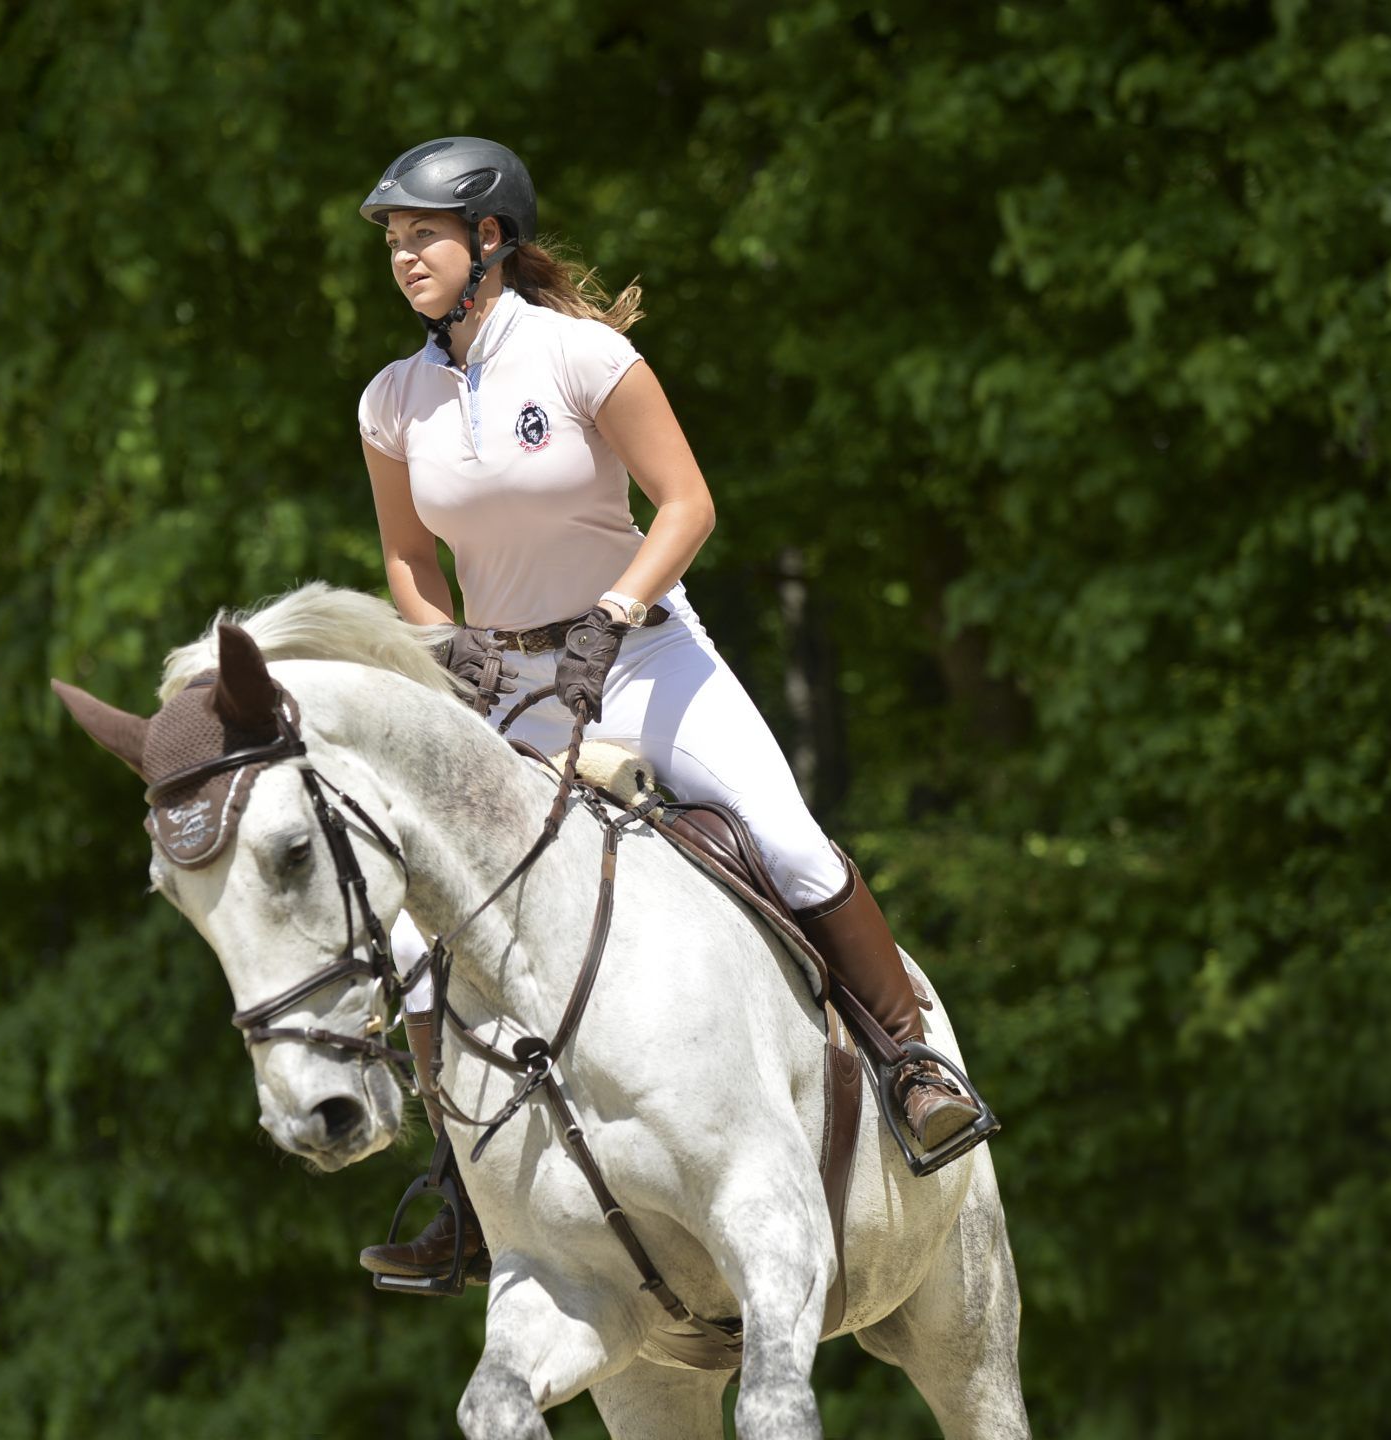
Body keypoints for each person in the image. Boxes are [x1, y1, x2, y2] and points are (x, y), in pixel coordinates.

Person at [351, 137, 996, 1285]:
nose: (404, 258)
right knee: (414, 938)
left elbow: (689, 502)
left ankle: (914, 1067)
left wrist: (611, 613)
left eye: (424, 237)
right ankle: (461, 1191)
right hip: (509, 690)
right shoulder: (392, 402)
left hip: (645, 658)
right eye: (394, 242)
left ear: (489, 239)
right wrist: (443, 644)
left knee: (790, 839)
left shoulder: (583, 356)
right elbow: (406, 557)